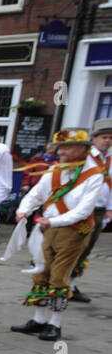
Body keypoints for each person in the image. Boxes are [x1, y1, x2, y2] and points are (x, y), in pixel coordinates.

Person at [9, 128, 104, 343]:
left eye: (67, 147)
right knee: (41, 272)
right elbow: (36, 194)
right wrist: (23, 209)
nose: (61, 151)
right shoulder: (55, 169)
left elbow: (84, 210)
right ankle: (39, 319)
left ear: (83, 149)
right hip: (47, 227)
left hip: (73, 231)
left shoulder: (94, 174)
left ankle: (55, 324)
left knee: (60, 276)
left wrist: (53, 221)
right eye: (60, 146)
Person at [68, 118, 112, 303]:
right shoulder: (84, 157)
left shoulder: (111, 159)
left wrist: (110, 209)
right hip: (81, 209)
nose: (108, 141)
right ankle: (60, 282)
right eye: (104, 137)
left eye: (111, 137)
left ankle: (71, 283)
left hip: (100, 210)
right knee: (72, 246)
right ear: (94, 138)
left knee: (87, 248)